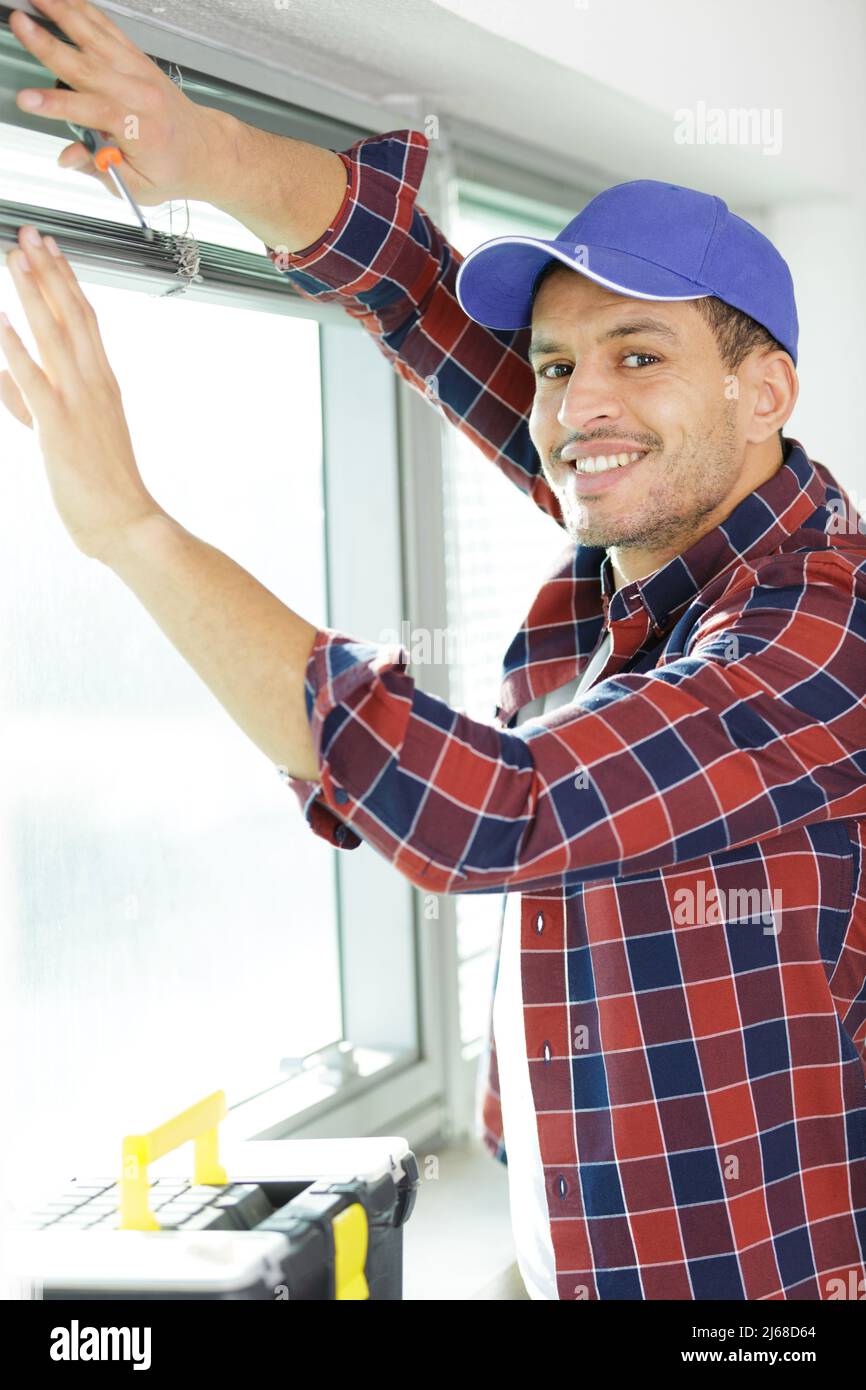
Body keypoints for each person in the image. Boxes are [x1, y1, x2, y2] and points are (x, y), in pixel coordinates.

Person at [2, 0, 865, 1301]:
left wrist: (129, 526)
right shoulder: (650, 513)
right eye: (555, 365)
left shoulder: (819, 630)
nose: (577, 406)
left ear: (764, 394)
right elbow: (412, 290)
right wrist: (201, 148)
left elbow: (496, 810)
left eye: (638, 355)